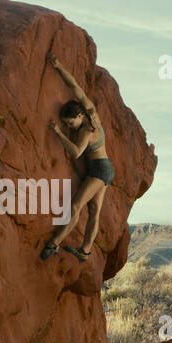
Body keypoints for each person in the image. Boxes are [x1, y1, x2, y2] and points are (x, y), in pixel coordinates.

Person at [40, 50, 115, 261]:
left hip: (99, 170)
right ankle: (85, 251)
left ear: (79, 116)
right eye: (66, 125)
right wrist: (58, 66)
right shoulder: (91, 111)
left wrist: (58, 133)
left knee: (76, 206)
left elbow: (75, 151)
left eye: (70, 123)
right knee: (94, 211)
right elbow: (75, 87)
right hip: (104, 168)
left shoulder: (85, 132)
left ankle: (54, 243)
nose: (68, 126)